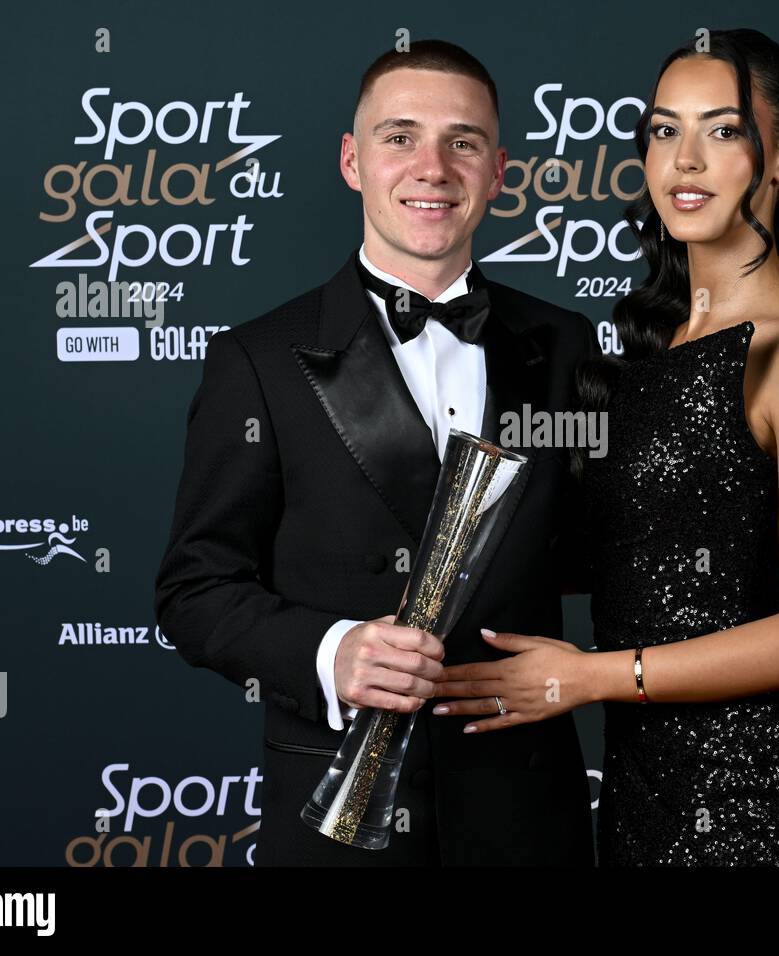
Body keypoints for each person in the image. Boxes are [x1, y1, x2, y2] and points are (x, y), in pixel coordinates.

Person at [154, 40, 602, 866]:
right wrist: (332, 652)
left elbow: (616, 552)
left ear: (499, 171)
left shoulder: (564, 343)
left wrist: (777, 679)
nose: (432, 166)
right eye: (400, 137)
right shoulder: (257, 360)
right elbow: (195, 590)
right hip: (338, 816)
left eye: (462, 142)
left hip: (527, 811)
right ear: (352, 161)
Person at [431, 29, 779, 865]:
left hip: (754, 797)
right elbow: (626, 554)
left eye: (724, 130)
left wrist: (589, 677)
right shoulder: (644, 350)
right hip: (640, 786)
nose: (686, 161)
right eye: (665, 131)